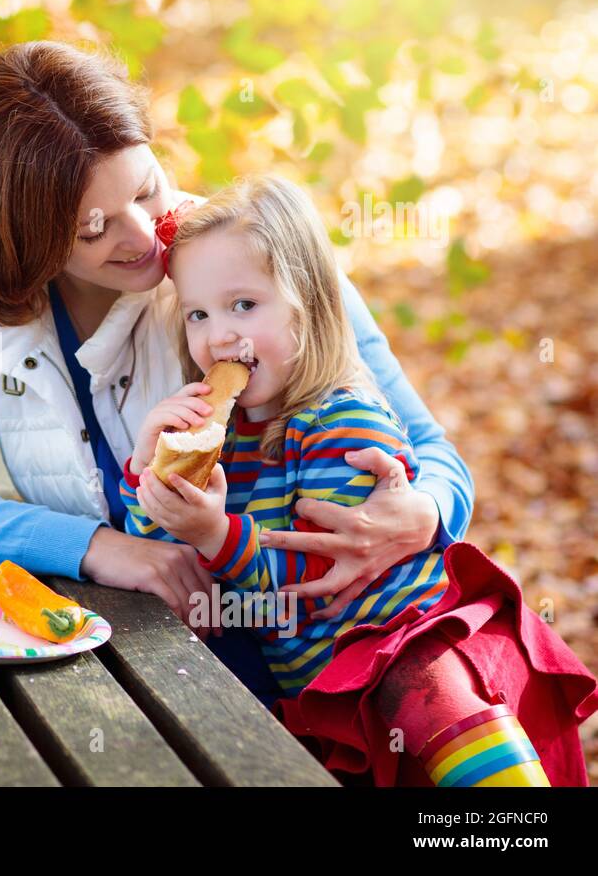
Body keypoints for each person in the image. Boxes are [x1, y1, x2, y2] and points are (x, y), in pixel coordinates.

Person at [0, 41, 474, 707]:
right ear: (26, 242)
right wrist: (101, 548)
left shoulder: (245, 260)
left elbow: (439, 458)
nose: (145, 234)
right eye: (95, 229)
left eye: (148, 189)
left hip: (298, 661)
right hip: (113, 652)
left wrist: (424, 512)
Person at [120, 174, 597, 785]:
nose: (218, 335)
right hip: (326, 684)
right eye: (198, 313)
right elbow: (162, 548)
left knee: (452, 729)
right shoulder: (227, 432)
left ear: (310, 303)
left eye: (245, 305)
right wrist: (150, 468)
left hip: (399, 646)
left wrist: (215, 534)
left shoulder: (340, 416)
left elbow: (320, 571)